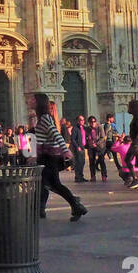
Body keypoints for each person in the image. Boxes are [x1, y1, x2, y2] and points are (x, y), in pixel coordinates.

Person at [33, 94, 87, 222]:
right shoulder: (43, 118)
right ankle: (40, 210)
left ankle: (75, 204)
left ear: (38, 103)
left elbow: (56, 134)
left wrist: (66, 150)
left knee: (52, 184)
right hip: (45, 156)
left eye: (33, 100)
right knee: (44, 184)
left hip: (48, 157)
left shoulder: (44, 118)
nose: (30, 101)